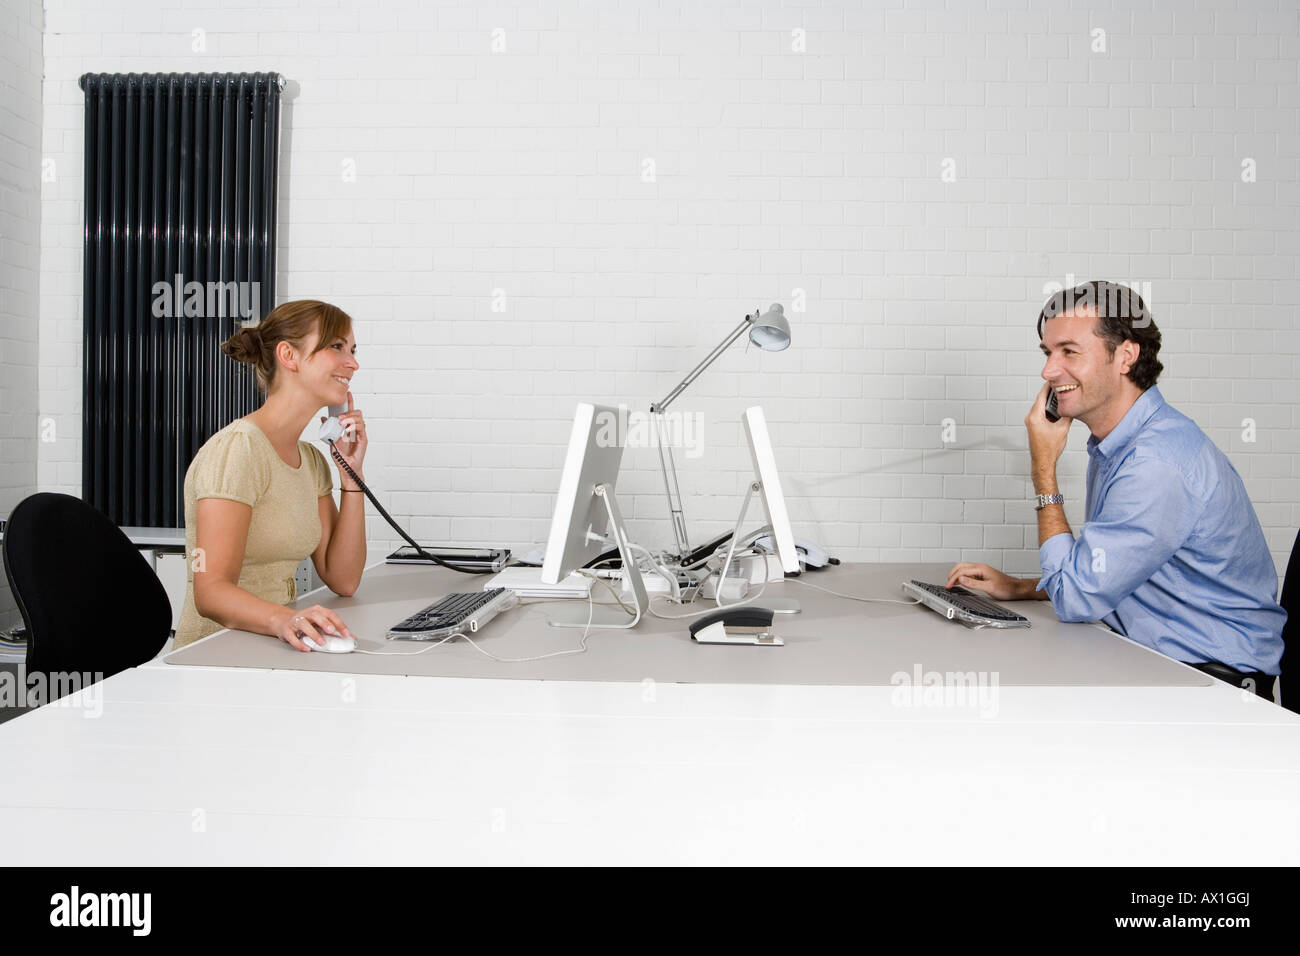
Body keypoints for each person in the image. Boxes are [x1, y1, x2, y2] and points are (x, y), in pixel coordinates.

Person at [947, 281, 1286, 699]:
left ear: (1125, 355)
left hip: (1211, 687)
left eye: (1069, 351)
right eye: (1048, 352)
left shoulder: (1154, 463)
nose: (1049, 371)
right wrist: (1022, 587)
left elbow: (1076, 599)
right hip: (1161, 663)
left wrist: (1043, 468)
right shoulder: (1122, 443)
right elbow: (1108, 569)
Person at [173, 300, 368, 651]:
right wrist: (285, 619)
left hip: (277, 643)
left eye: (353, 350)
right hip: (215, 653)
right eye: (337, 347)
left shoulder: (311, 461)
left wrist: (352, 476)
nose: (353, 363)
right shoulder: (238, 450)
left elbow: (344, 579)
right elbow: (211, 592)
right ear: (288, 356)